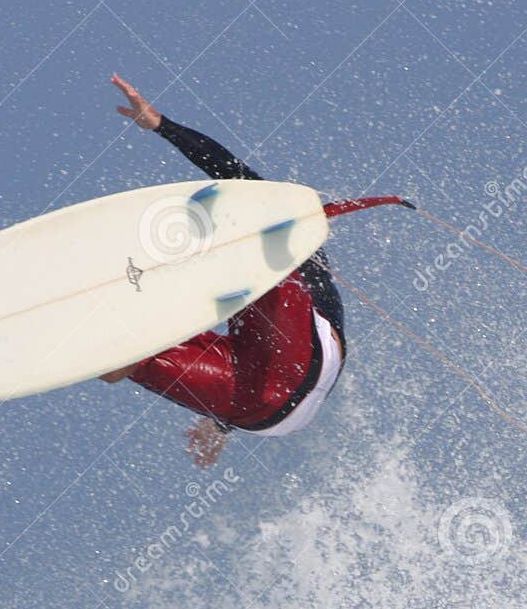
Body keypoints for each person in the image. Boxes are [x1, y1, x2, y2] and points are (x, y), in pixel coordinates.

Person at [104, 75, 349, 468]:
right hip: (257, 399)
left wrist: (221, 423)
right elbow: (232, 172)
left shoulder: (289, 251)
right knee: (117, 356)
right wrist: (163, 126)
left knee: (122, 359)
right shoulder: (267, 233)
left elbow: (290, 343)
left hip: (297, 374)